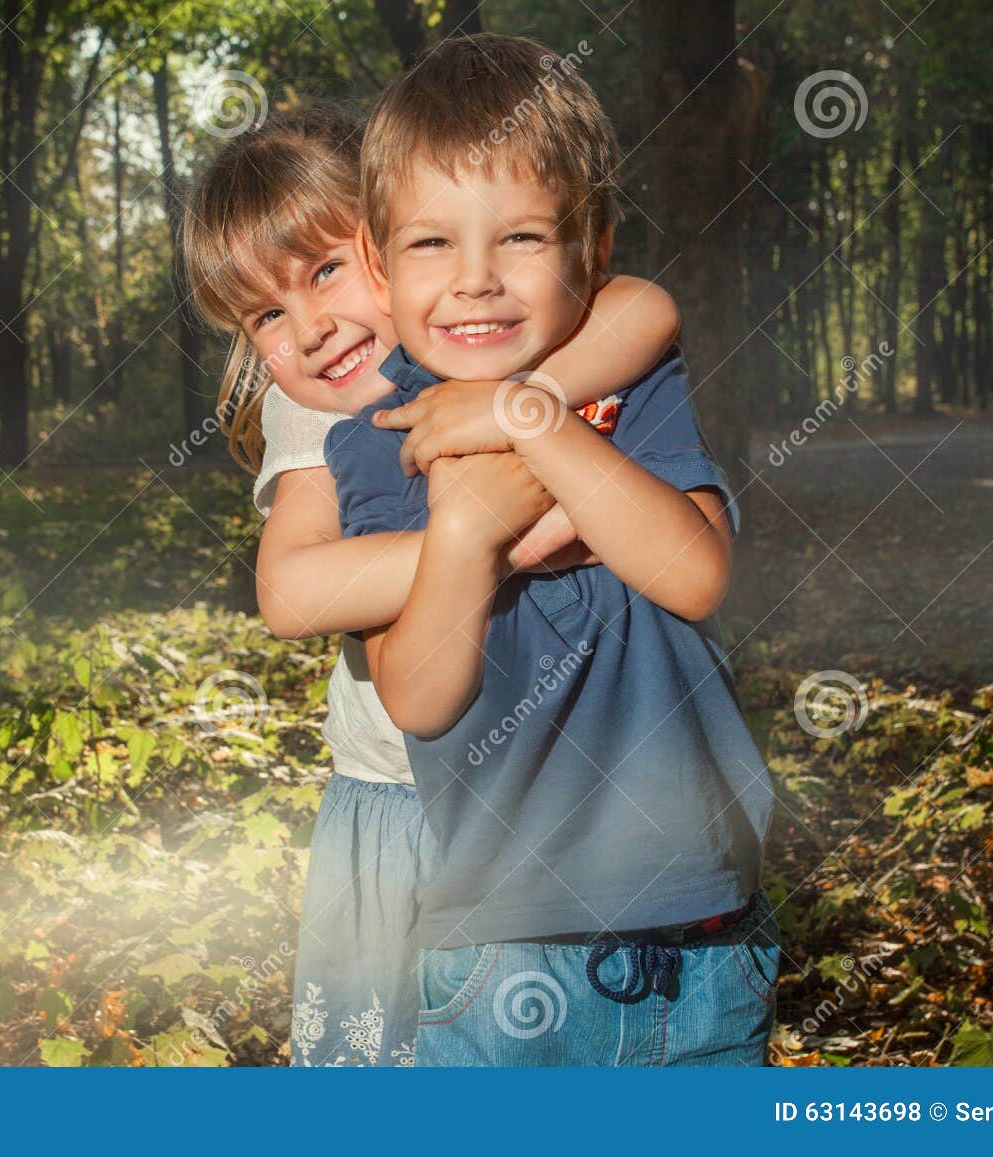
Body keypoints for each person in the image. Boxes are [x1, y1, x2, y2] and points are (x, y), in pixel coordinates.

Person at [181, 106, 684, 1065]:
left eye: (326, 270)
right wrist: (491, 540)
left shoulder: (488, 330)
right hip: (403, 805)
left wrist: (512, 405)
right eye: (265, 316)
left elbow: (645, 309)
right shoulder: (320, 413)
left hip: (563, 789)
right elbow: (292, 592)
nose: (311, 329)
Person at [324, 33, 779, 1066]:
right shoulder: (381, 440)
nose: (475, 281)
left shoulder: (627, 385)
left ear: (594, 247)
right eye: (431, 244)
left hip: (706, 937)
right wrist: (465, 529)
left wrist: (528, 417)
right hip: (500, 949)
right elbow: (420, 697)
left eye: (522, 237)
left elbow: (696, 573)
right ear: (378, 267)